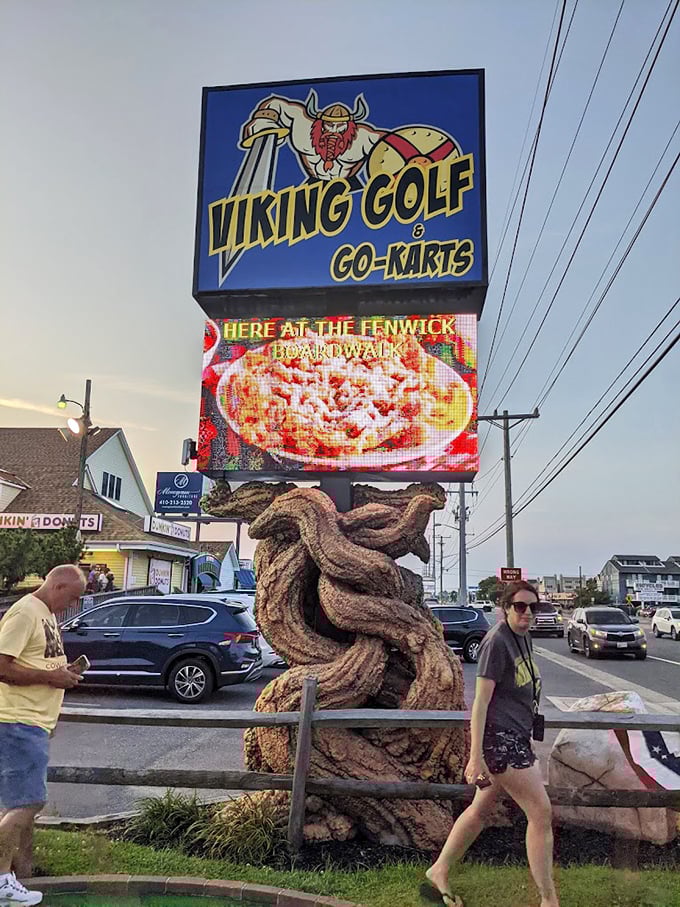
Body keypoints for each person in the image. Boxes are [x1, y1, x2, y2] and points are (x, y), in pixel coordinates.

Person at [423, 581, 559, 907]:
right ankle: (549, 899)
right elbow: (480, 703)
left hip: (517, 738)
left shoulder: (523, 638)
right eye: (520, 607)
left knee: (480, 810)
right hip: (500, 741)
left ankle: (438, 869)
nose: (527, 613)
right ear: (505, 608)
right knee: (541, 812)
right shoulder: (496, 642)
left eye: (532, 607)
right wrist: (475, 757)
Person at [0, 564, 85, 906]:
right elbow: (2, 666)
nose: (72, 605)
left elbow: (37, 661)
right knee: (27, 802)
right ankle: (3, 880)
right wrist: (52, 679)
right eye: (73, 597)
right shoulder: (25, 613)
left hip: (32, 723)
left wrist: (62, 673)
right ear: (58, 585)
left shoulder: (46, 614)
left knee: (16, 802)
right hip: (17, 721)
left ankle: (6, 876)